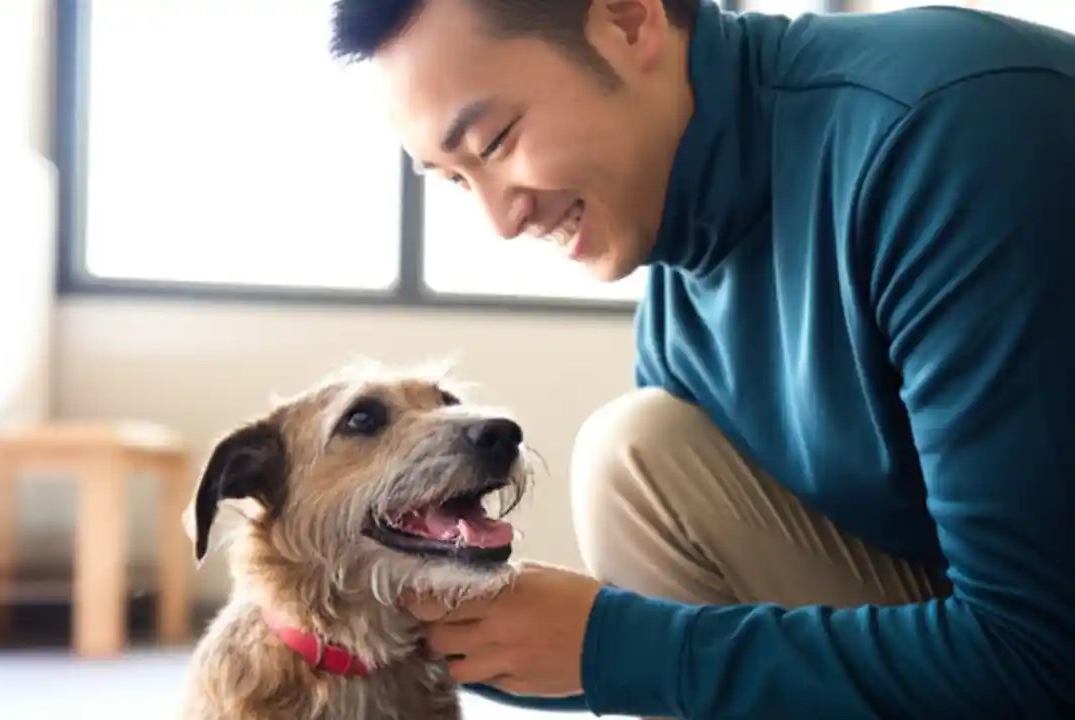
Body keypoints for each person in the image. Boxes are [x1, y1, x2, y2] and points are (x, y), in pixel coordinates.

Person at [328, 0, 1075, 717]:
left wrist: (617, 647)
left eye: (494, 142)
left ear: (627, 17)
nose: (500, 219)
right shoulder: (683, 275)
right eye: (458, 180)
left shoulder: (949, 134)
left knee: (633, 468)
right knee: (638, 456)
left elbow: (1044, 654)